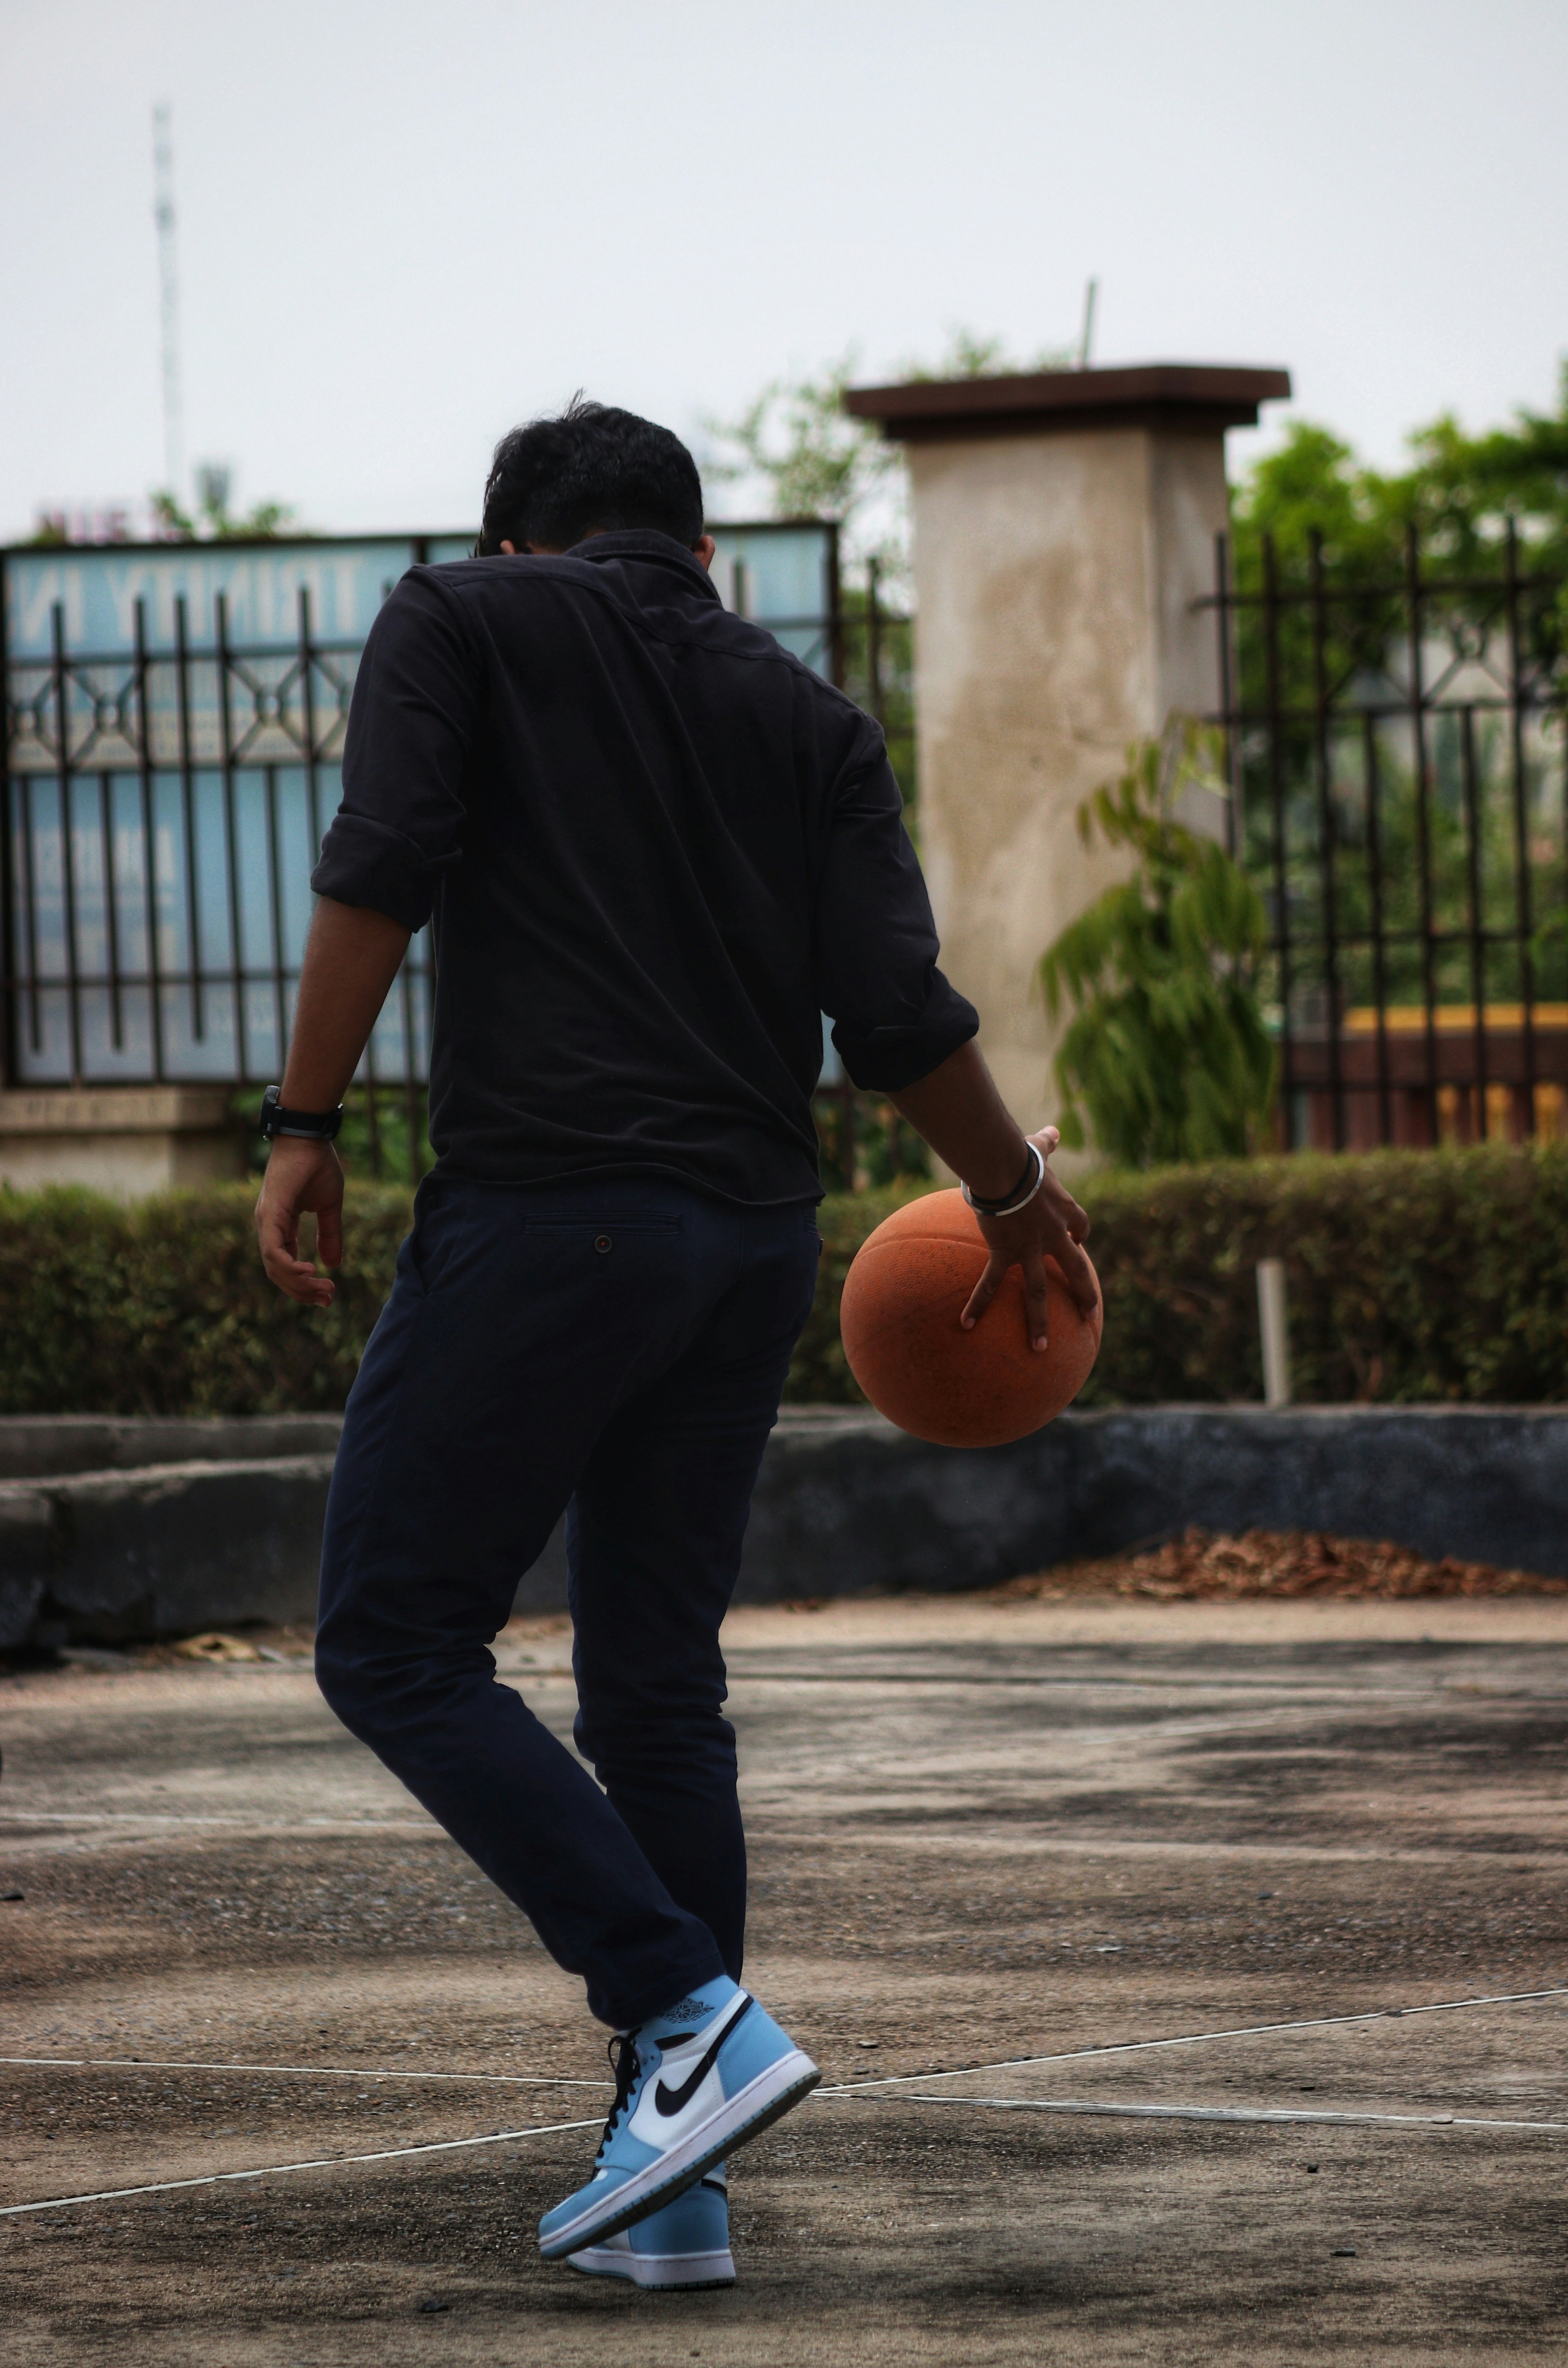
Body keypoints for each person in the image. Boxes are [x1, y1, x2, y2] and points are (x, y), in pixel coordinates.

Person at [254, 398, 1097, 2288]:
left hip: (551, 1218)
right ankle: (680, 2189)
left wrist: (301, 1127)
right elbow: (893, 1013)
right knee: (655, 1685)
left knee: (392, 1637)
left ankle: (681, 2013)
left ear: (515, 545)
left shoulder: (460, 620)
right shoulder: (807, 716)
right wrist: (1017, 1191)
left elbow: (382, 860)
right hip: (748, 1248)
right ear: (704, 557)